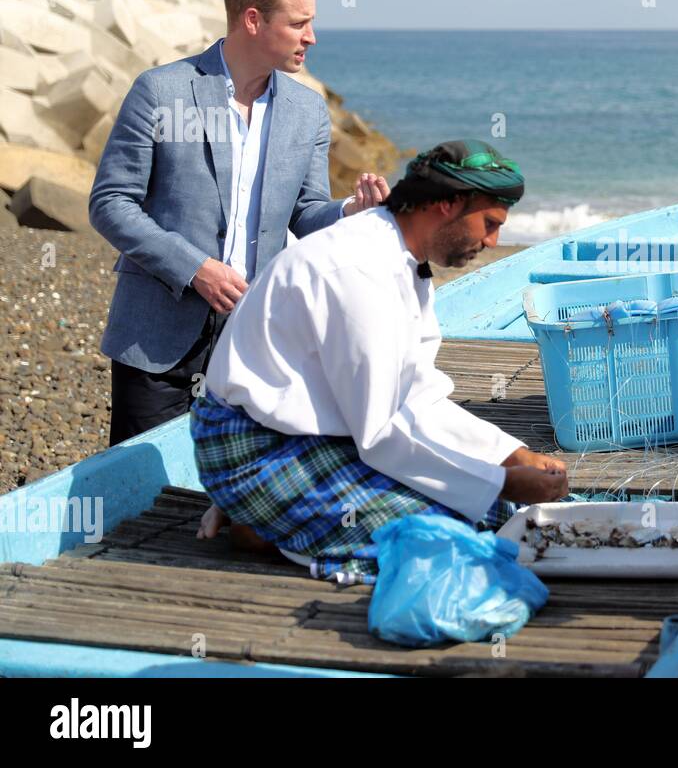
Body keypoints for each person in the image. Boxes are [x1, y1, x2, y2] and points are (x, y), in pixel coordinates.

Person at [190, 141, 568, 584]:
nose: (492, 242)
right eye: (488, 224)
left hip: (324, 434)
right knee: (447, 534)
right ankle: (255, 522)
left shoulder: (401, 254)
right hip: (255, 447)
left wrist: (509, 454)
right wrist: (502, 481)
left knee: (503, 514)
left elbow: (419, 393)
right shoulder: (360, 272)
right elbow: (382, 431)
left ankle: (273, 519)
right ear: (446, 204)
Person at [89, 0, 389, 446]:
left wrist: (349, 212)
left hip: (254, 332)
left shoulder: (307, 110)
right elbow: (110, 203)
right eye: (298, 23)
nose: (311, 37)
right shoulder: (161, 90)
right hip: (156, 331)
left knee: (241, 489)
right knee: (140, 491)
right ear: (253, 20)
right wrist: (195, 268)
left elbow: (306, 212)